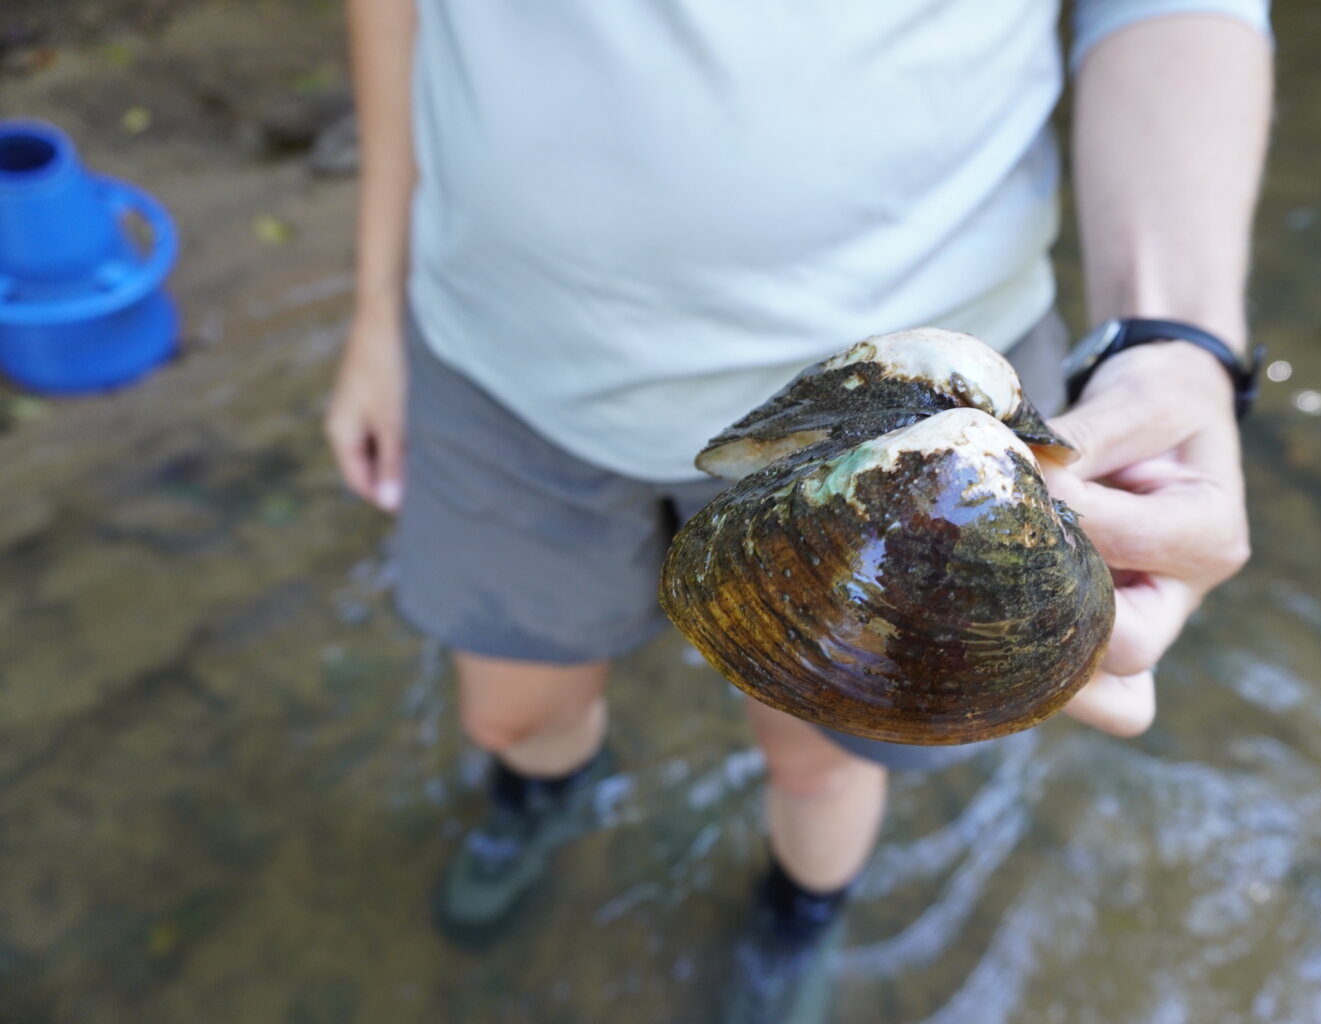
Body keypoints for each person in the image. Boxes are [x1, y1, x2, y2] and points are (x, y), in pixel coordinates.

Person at [325, 0, 1272, 1019]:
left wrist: (1176, 336)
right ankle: (540, 795)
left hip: (945, 375)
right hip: (501, 357)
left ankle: (799, 909)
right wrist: (378, 306)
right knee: (512, 707)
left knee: (823, 749)